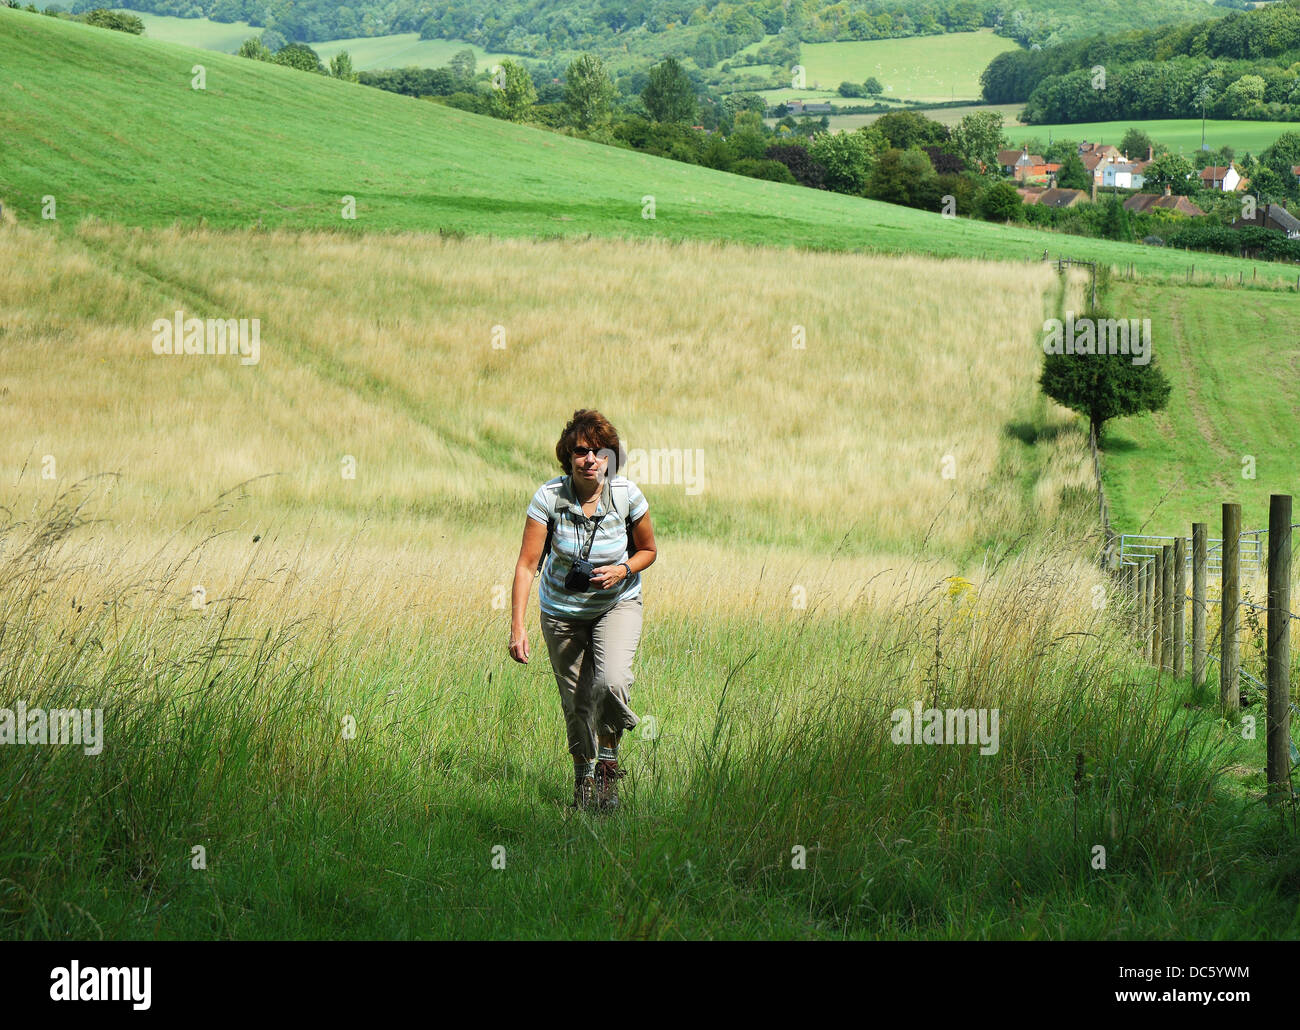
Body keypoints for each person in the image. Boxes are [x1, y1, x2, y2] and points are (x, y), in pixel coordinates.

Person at [509, 410, 657, 811]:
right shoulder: (548, 498)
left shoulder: (627, 496)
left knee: (610, 682)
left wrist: (622, 569)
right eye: (580, 451)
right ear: (568, 457)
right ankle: (583, 779)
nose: (589, 458)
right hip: (560, 612)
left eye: (597, 451)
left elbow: (649, 551)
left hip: (617, 603)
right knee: (576, 701)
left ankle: (607, 770)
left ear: (609, 457)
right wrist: (517, 626)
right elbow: (526, 565)